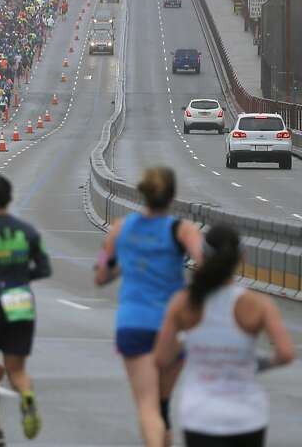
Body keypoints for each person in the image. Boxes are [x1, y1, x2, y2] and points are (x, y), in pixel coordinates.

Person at [153, 225, 295, 447]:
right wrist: (260, 363)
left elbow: (162, 357)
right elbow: (286, 352)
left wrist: (187, 343)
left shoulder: (183, 302)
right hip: (247, 417)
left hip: (200, 416)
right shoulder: (258, 304)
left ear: (203, 255)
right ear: (242, 257)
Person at [95, 167, 203, 447]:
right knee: (162, 407)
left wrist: (127, 263)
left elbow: (101, 275)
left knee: (147, 406)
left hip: (134, 324)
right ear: (172, 195)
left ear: (142, 193)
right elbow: (206, 264)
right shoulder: (182, 230)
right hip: (172, 328)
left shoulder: (120, 229)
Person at [0, 175, 51, 444]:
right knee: (16, 369)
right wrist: (19, 278)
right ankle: (26, 394)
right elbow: (44, 268)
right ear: (10, 198)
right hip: (19, 299)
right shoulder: (27, 231)